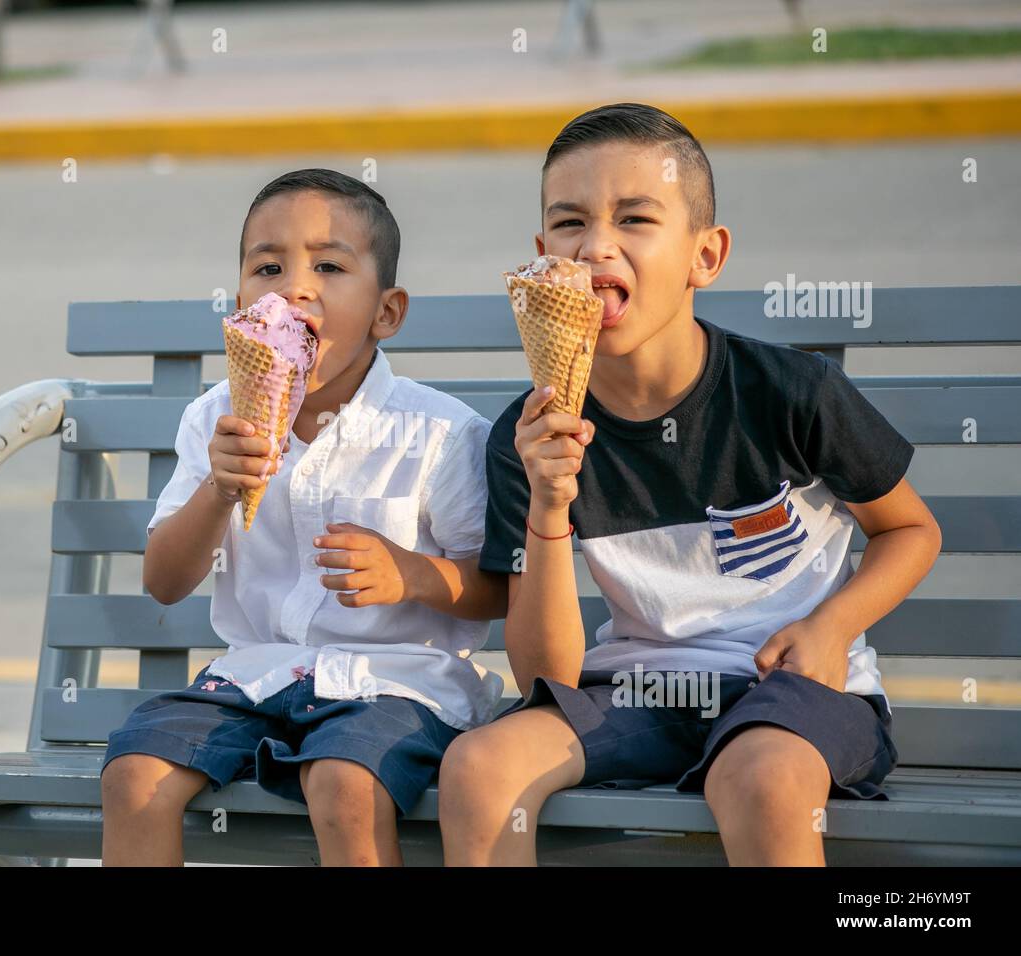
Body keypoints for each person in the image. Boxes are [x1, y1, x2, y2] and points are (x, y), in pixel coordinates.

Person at [438, 103, 942, 866]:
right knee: (477, 768)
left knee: (764, 778)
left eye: (635, 219)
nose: (596, 245)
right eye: (570, 224)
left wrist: (832, 627)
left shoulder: (788, 391)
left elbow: (910, 530)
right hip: (639, 694)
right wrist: (549, 505)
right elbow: (547, 676)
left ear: (705, 256)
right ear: (543, 259)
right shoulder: (532, 434)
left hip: (795, 693)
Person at [101, 168, 508, 866]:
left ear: (387, 313)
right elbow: (165, 581)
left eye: (328, 265)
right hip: (252, 680)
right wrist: (218, 492)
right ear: (238, 308)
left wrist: (413, 573)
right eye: (268, 266)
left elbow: (495, 589)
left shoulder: (438, 433)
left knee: (344, 782)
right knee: (133, 775)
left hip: (395, 686)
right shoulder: (214, 420)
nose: (294, 286)